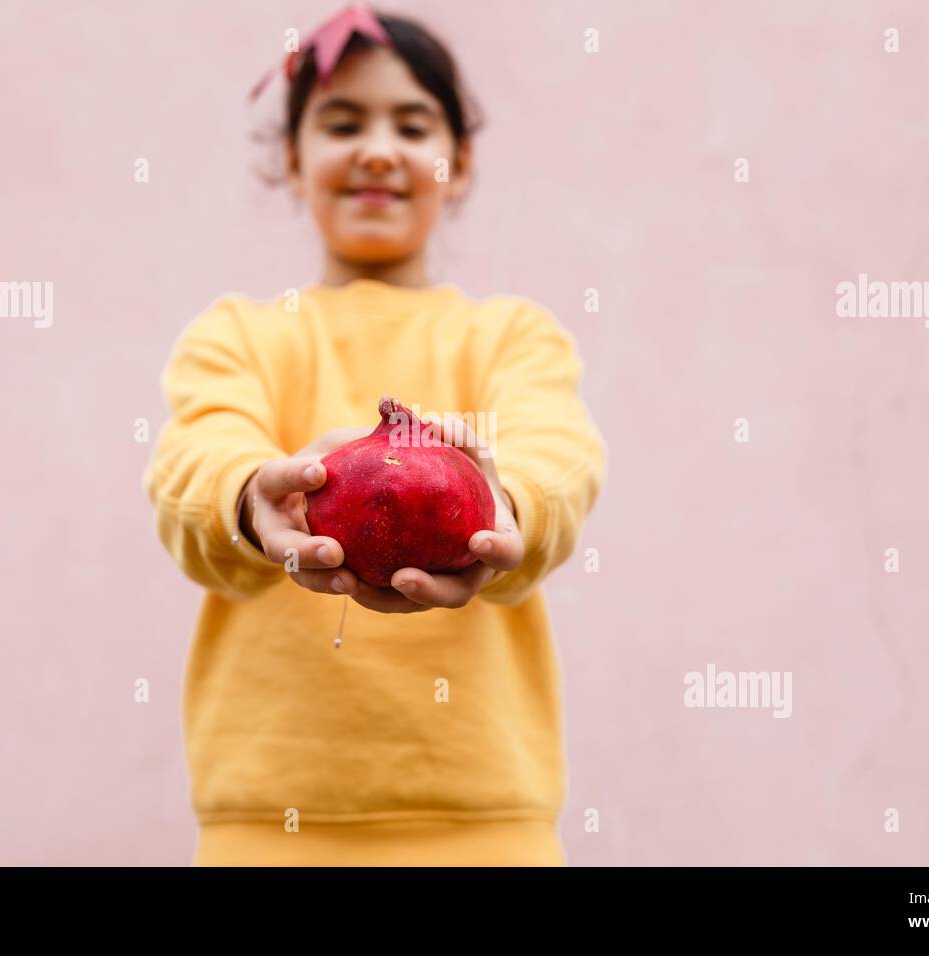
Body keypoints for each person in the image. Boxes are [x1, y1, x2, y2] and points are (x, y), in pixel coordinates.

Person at [142, 4, 606, 865]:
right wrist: (250, 499)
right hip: (266, 829)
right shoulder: (239, 337)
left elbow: (561, 456)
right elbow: (190, 461)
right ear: (291, 159)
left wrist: (504, 505)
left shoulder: (508, 338)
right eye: (342, 123)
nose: (379, 150)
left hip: (485, 826)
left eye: (413, 124)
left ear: (459, 163)